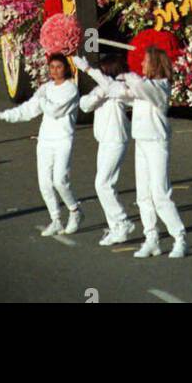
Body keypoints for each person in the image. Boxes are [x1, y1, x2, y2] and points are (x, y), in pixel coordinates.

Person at [0, 53, 81, 236]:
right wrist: (2, 115)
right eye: (52, 67)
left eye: (59, 67)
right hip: (45, 140)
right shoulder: (46, 88)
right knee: (45, 183)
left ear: (66, 68)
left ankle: (75, 211)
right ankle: (56, 219)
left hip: (63, 140)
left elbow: (55, 110)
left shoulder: (71, 89)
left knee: (59, 181)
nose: (55, 71)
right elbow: (28, 110)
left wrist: (41, 99)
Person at [120, 46, 188, 259]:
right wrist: (95, 72)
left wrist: (128, 76)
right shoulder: (144, 87)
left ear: (155, 64)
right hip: (141, 142)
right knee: (143, 195)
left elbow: (141, 87)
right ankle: (151, 239)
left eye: (145, 61)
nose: (142, 65)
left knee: (160, 194)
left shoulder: (160, 87)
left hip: (157, 144)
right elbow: (120, 92)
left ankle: (180, 238)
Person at [74, 51, 136, 246]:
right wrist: (98, 94)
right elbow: (84, 105)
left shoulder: (121, 88)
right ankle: (116, 227)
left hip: (116, 140)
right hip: (104, 141)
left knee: (103, 184)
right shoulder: (103, 89)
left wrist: (88, 70)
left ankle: (122, 222)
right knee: (104, 184)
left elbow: (112, 87)